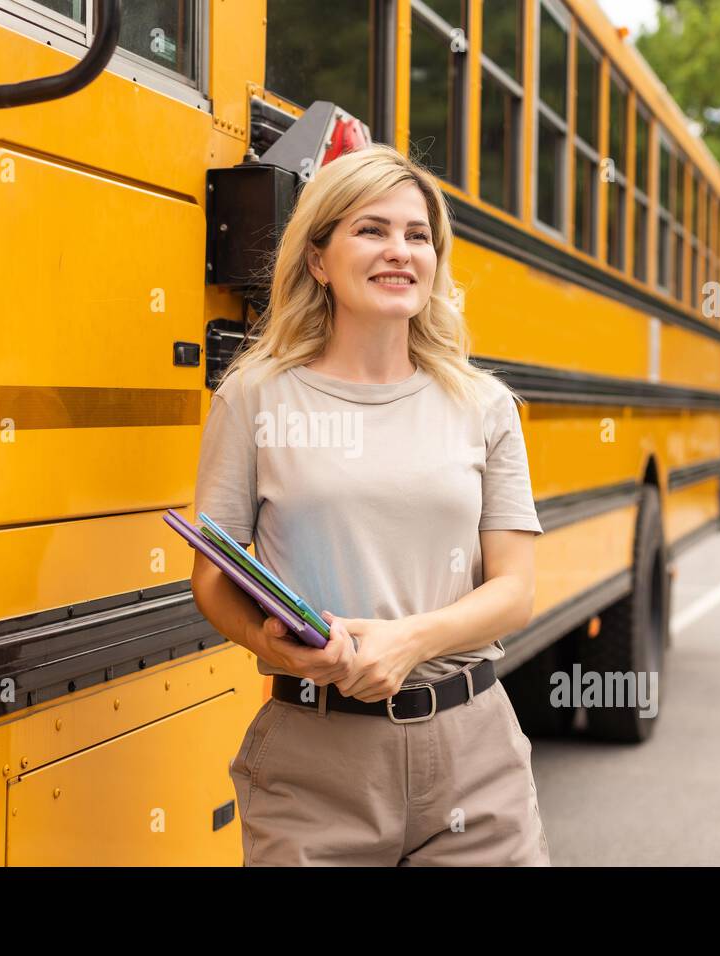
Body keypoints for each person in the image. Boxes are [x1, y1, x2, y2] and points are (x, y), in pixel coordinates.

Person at [191, 143, 550, 866]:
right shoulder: (254, 396)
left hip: (473, 753)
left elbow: (515, 590)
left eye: (418, 236)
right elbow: (211, 577)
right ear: (318, 259)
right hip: (314, 760)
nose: (400, 252)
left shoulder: (482, 405)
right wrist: (269, 644)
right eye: (371, 230)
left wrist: (410, 641)